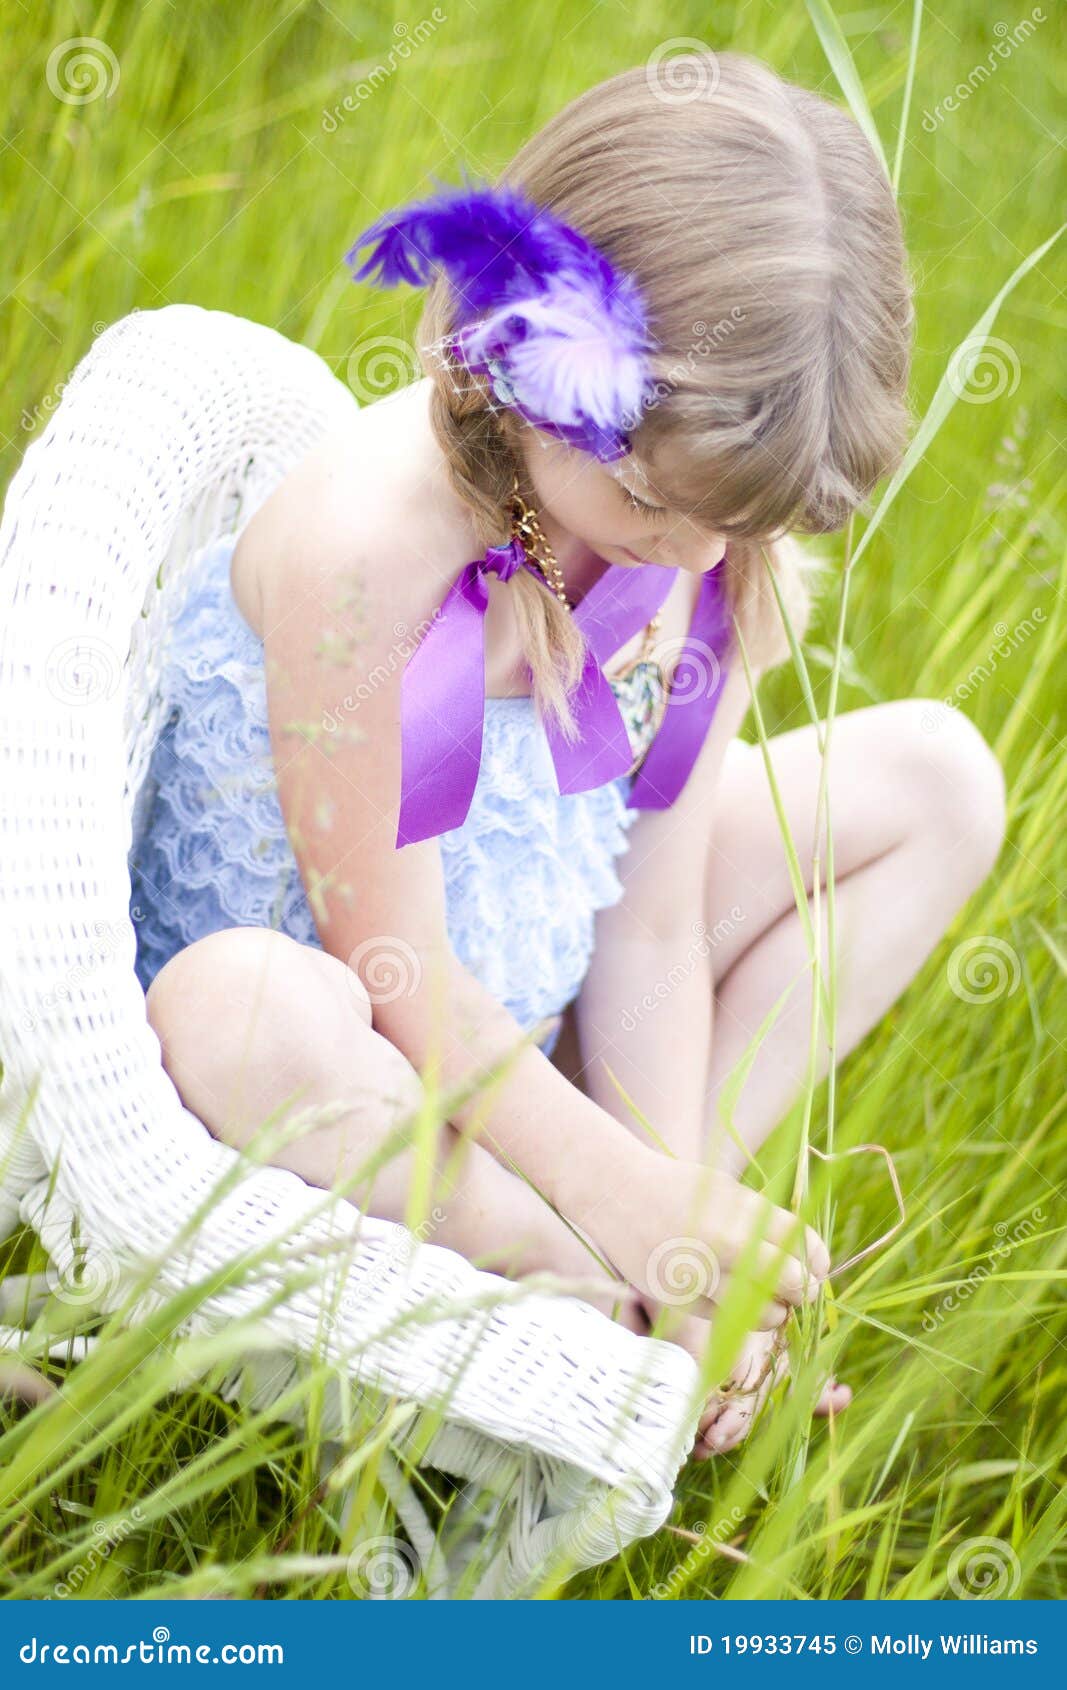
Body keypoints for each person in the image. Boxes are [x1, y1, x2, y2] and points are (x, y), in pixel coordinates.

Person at [131, 54, 1005, 1459]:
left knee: (941, 783)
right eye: (655, 499)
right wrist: (614, 1206)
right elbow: (389, 967)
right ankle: (578, 1285)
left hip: (531, 1008)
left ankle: (674, 1272)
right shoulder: (372, 552)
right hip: (354, 1041)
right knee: (239, 1011)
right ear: (523, 357)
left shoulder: (708, 548)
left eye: (739, 519)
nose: (697, 553)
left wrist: (668, 1193)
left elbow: (650, 922)